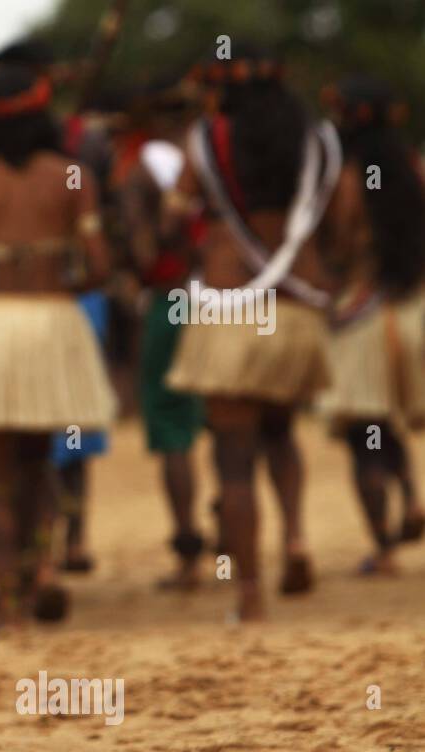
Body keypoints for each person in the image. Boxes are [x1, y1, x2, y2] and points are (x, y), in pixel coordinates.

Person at [0, 65, 116, 629]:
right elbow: (100, 265)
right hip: (52, 323)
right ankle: (41, 572)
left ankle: (8, 603)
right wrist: (62, 284)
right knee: (39, 461)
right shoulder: (72, 176)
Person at [163, 48, 344, 620]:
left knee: (233, 458)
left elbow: (174, 216)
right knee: (282, 431)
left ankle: (248, 593)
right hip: (295, 312)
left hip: (227, 309)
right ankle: (294, 537)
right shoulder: (318, 143)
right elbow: (337, 225)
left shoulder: (202, 143)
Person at [320, 76, 425, 574]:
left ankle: (383, 548)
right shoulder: (411, 167)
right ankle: (411, 495)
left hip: (363, 318)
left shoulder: (352, 176)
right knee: (386, 419)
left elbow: (339, 244)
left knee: (367, 432)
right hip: (412, 313)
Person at [116, 79, 207, 589]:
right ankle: (271, 544)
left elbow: (145, 254)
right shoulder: (215, 162)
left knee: (173, 428)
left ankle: (190, 550)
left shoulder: (141, 172)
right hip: (229, 301)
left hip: (171, 301)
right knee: (234, 423)